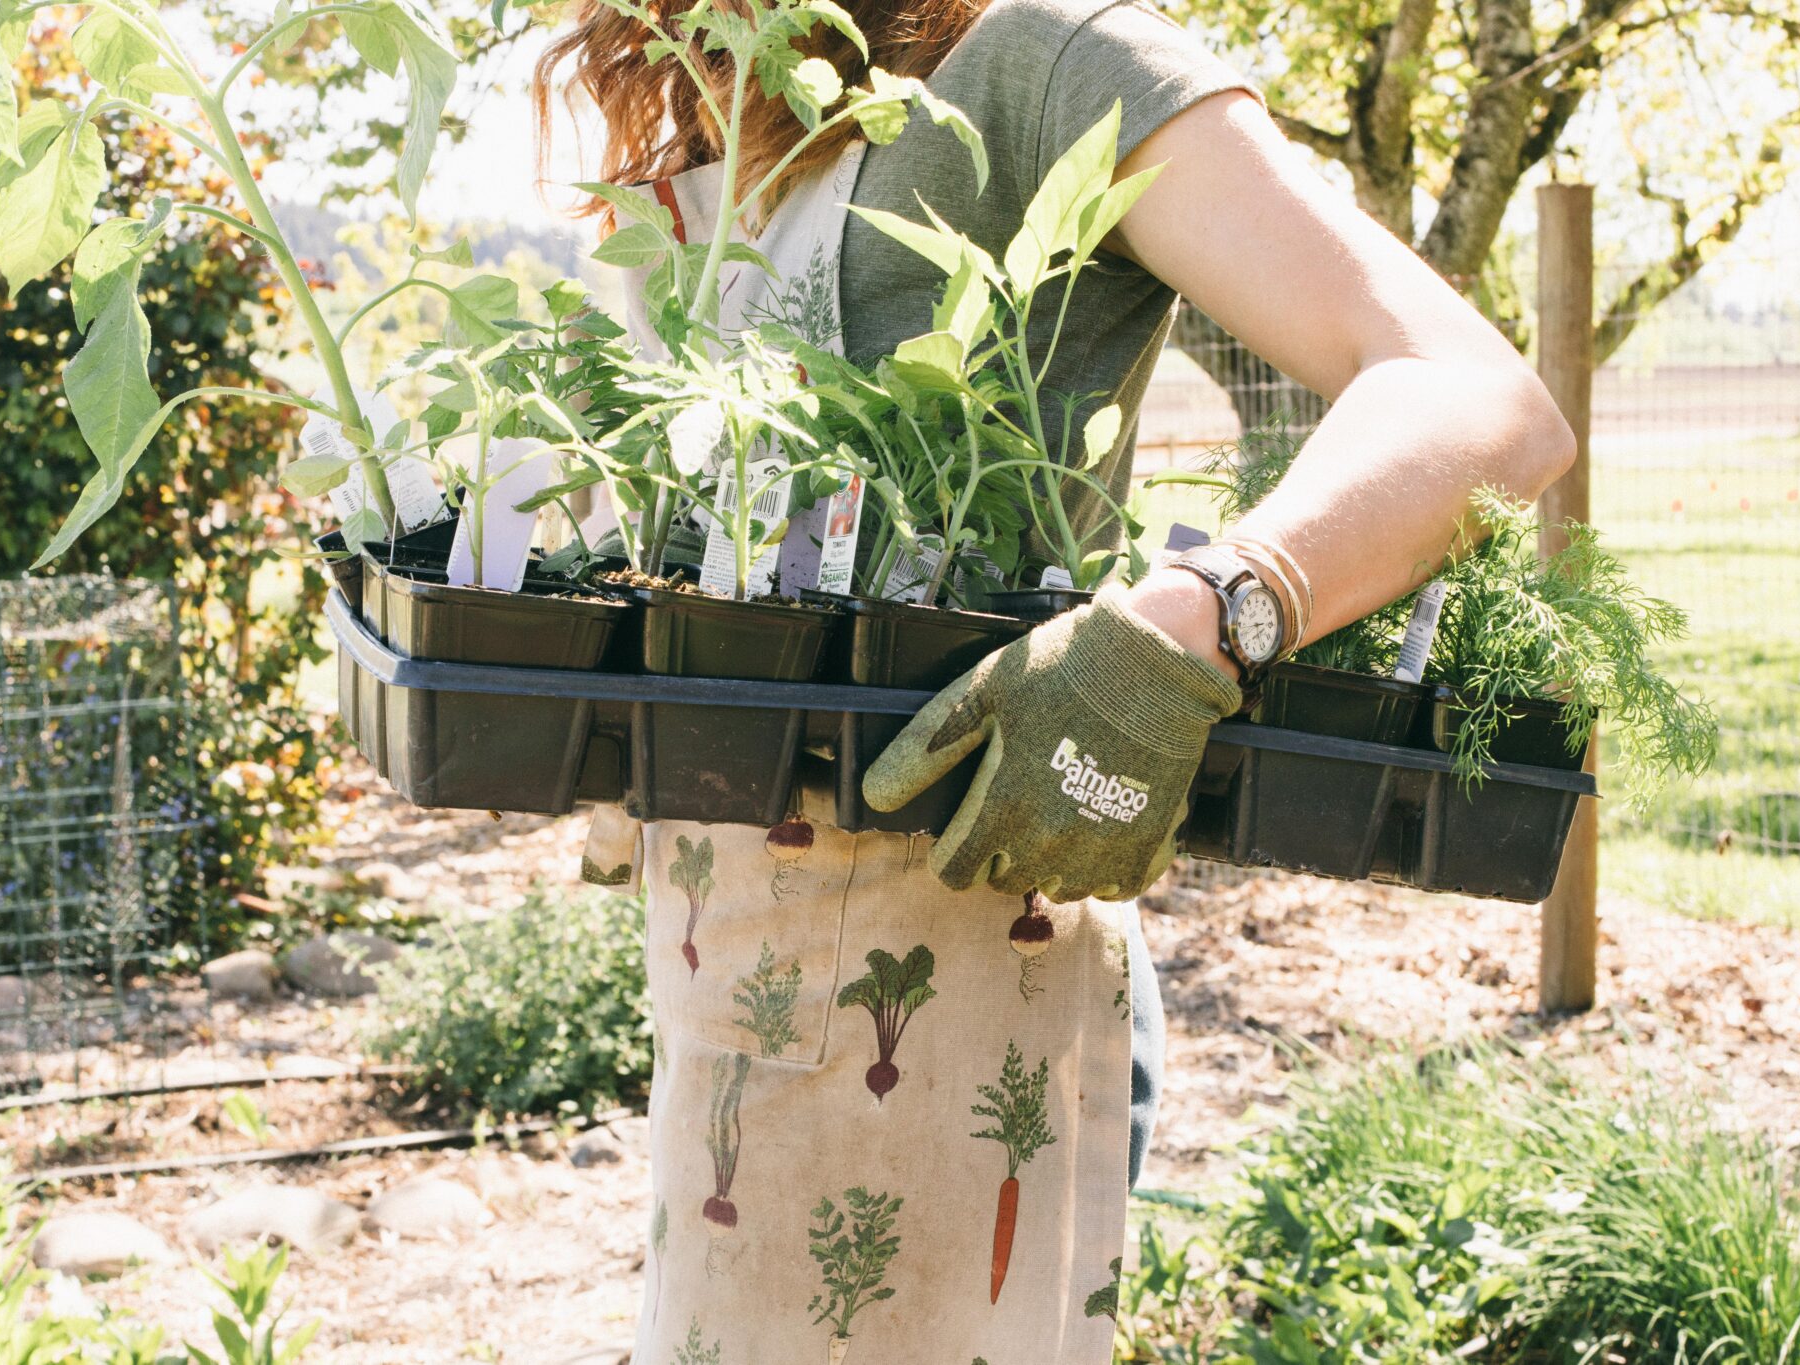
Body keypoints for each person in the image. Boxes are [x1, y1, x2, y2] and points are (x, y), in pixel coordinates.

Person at [545, 0, 1575, 1358]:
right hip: (733, 976)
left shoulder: (1046, 63)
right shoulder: (726, 108)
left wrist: (1215, 606)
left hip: (971, 963)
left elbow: (1479, 402)